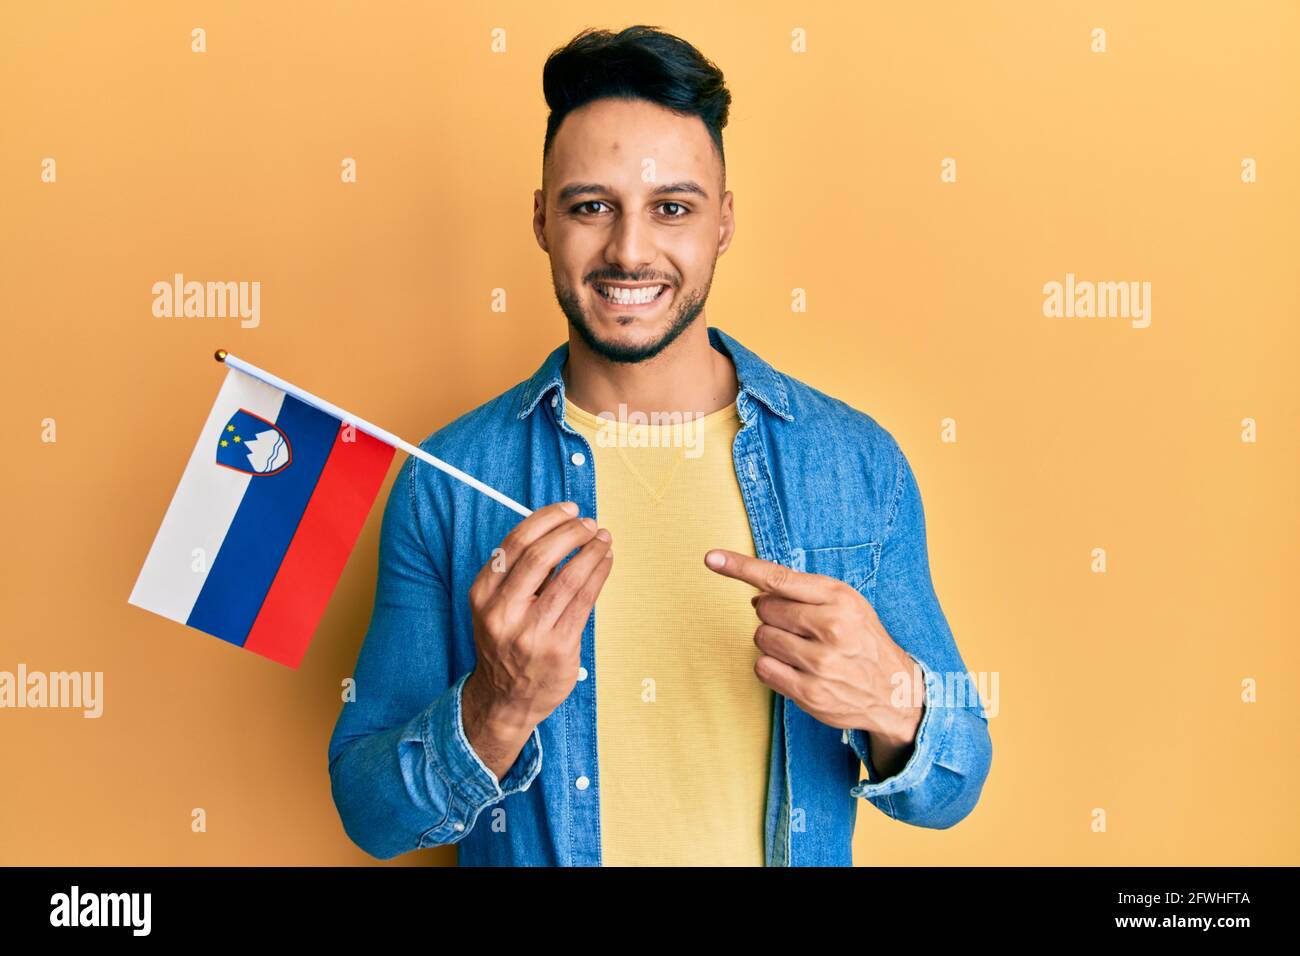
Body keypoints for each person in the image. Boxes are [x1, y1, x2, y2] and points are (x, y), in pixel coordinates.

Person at [327, 24, 991, 866]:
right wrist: (495, 708)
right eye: (591, 206)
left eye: (671, 208)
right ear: (541, 221)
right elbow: (369, 813)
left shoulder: (856, 465)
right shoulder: (448, 482)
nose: (630, 251)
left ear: (723, 223)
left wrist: (893, 702)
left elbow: (956, 783)